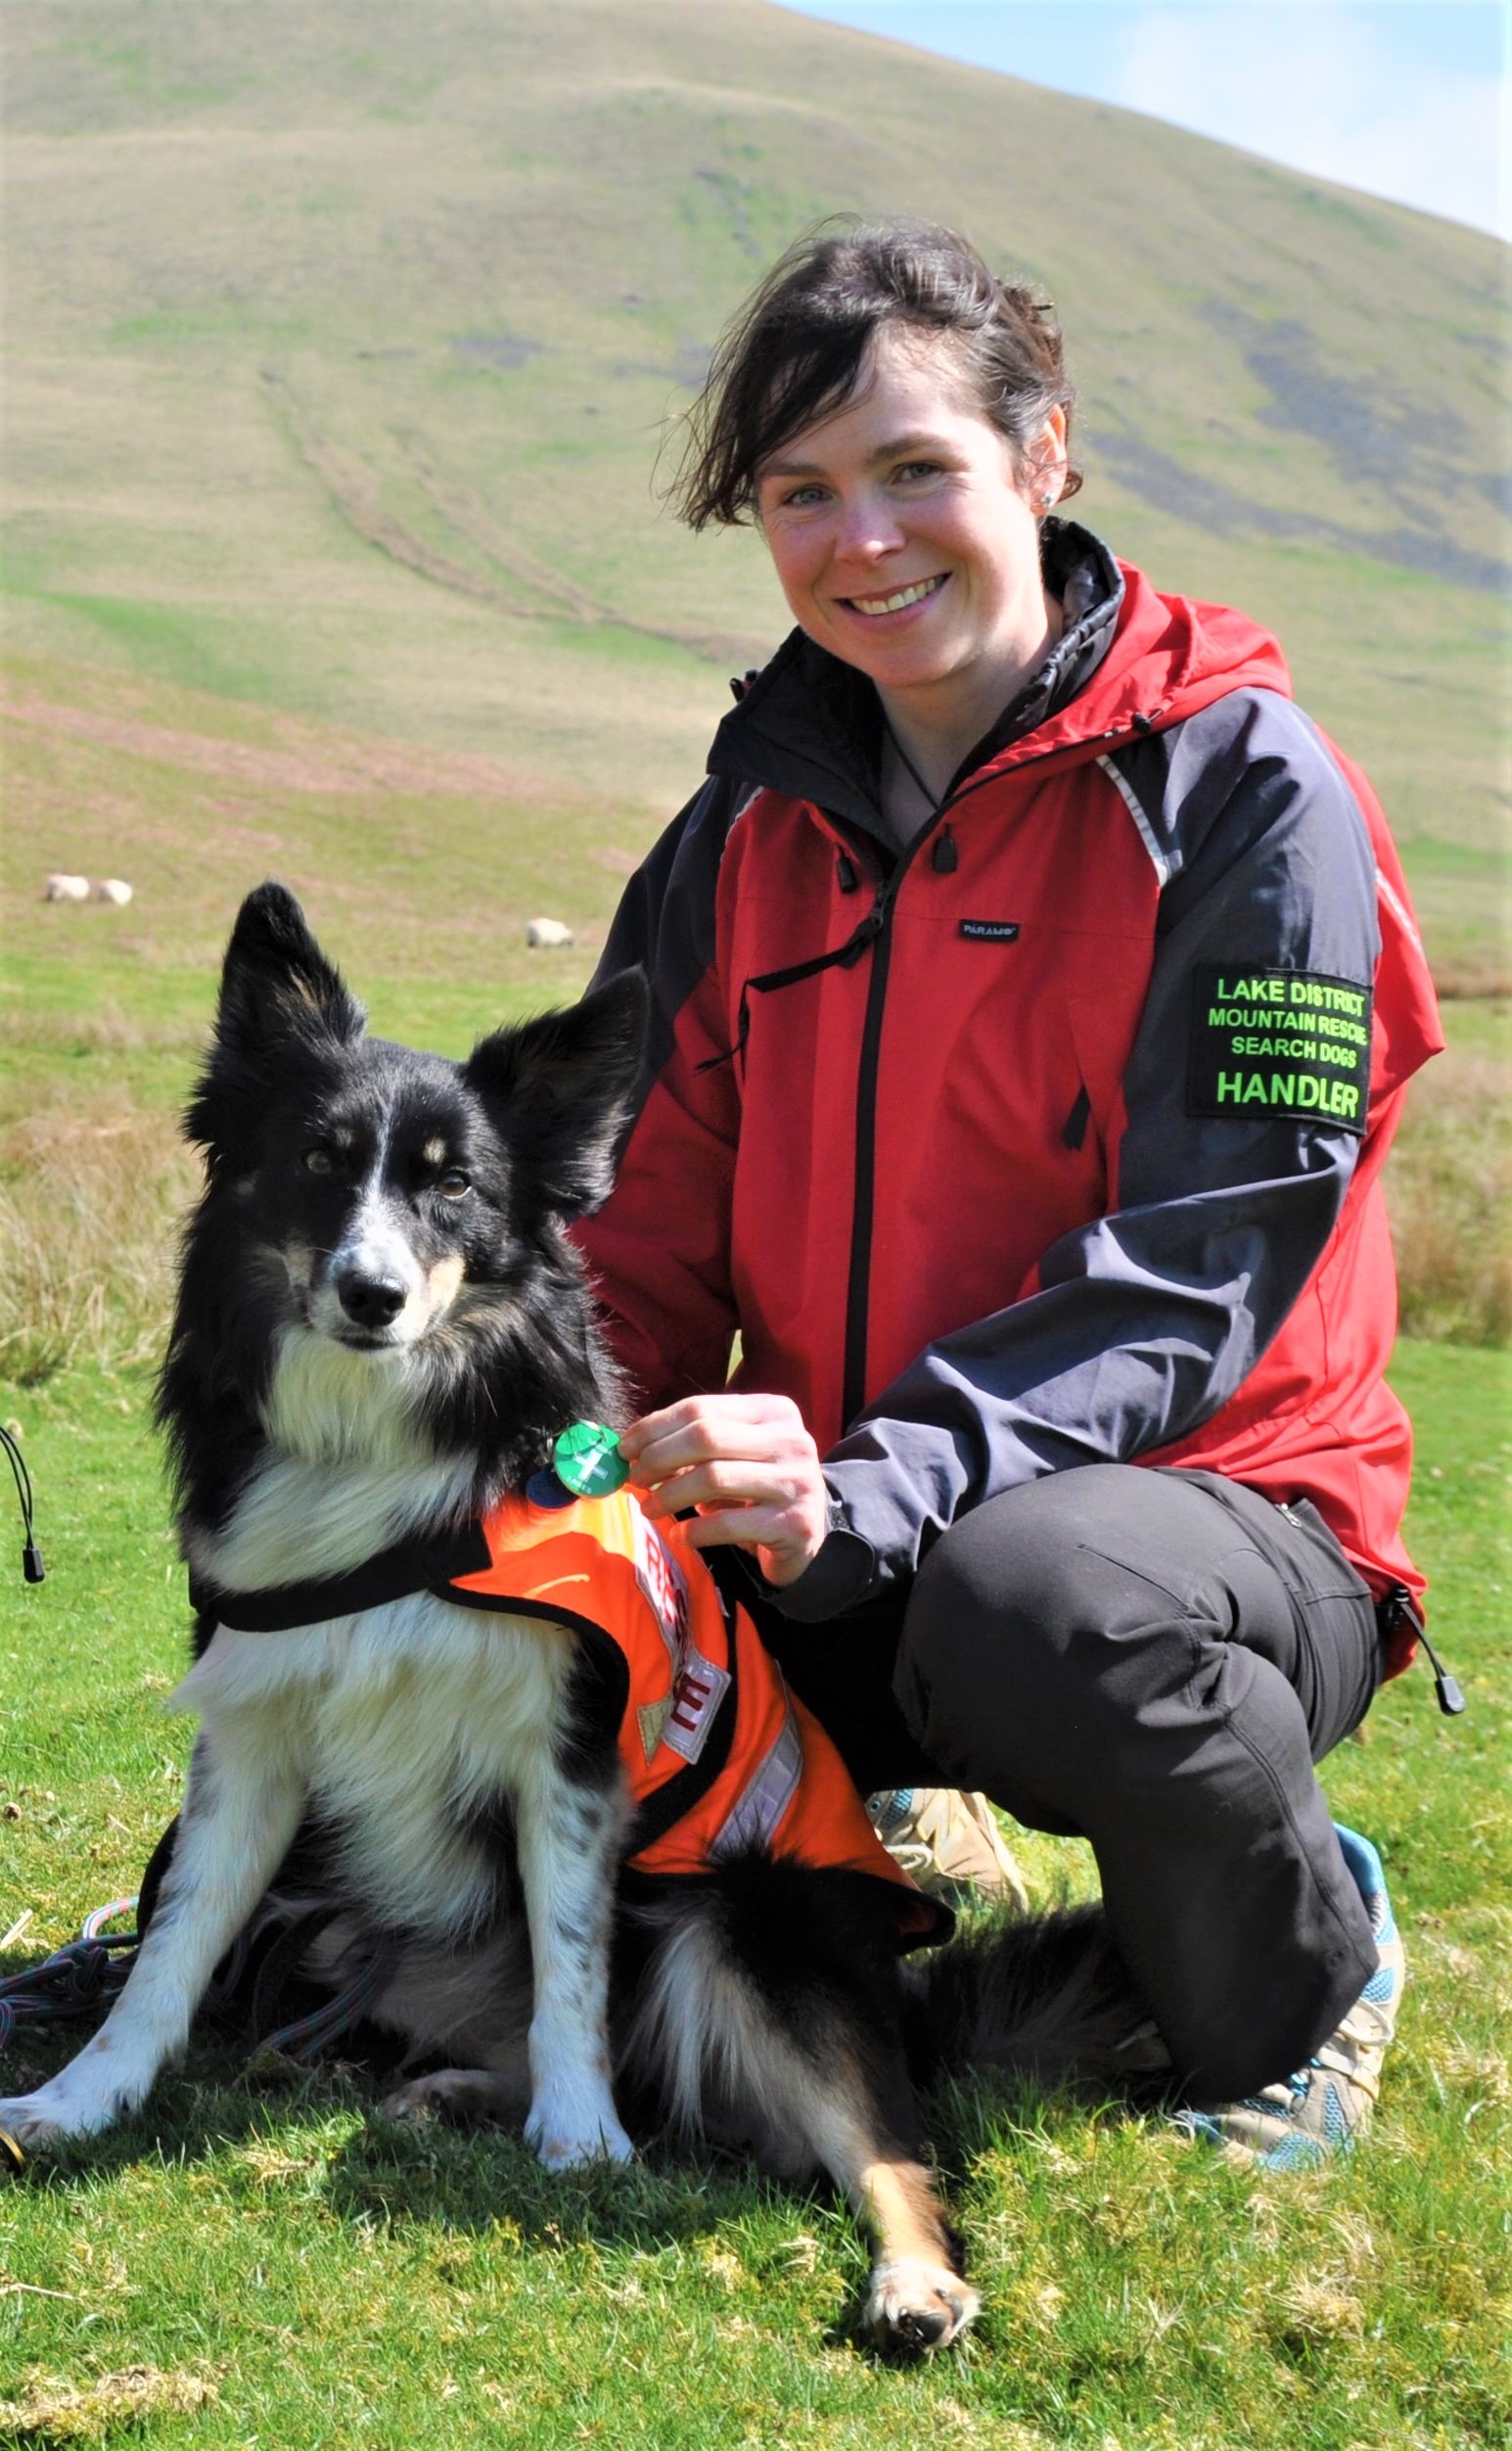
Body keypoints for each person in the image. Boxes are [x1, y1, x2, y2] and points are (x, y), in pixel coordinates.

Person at [574, 220, 1444, 2163]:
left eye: (912, 469)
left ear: (1041, 457)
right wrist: (550, 1471)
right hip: (838, 1522)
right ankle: (202, 1955)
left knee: (1025, 1598)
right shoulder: (741, 831)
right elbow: (623, 1228)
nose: (856, 541)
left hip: (1217, 1529)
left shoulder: (1241, 789)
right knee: (487, 1584)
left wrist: (867, 1493)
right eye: (798, 493)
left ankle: (1299, 1962)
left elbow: (1198, 1267)